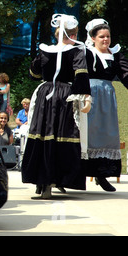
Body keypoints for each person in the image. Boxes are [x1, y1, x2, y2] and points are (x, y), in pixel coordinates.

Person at [21, 14, 91, 199]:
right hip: (65, 95)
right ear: (73, 34)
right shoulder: (76, 51)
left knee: (43, 134)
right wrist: (86, 98)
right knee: (63, 133)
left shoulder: (45, 50)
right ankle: (58, 178)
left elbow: (34, 72)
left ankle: (44, 180)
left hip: (45, 94)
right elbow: (81, 75)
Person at [84, 19, 128, 192]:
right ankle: (76, 174)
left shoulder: (115, 54)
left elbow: (125, 74)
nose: (105, 40)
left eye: (108, 36)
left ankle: (101, 175)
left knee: (105, 135)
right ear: (93, 38)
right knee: (85, 135)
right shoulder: (86, 53)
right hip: (88, 96)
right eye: (101, 36)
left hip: (107, 98)